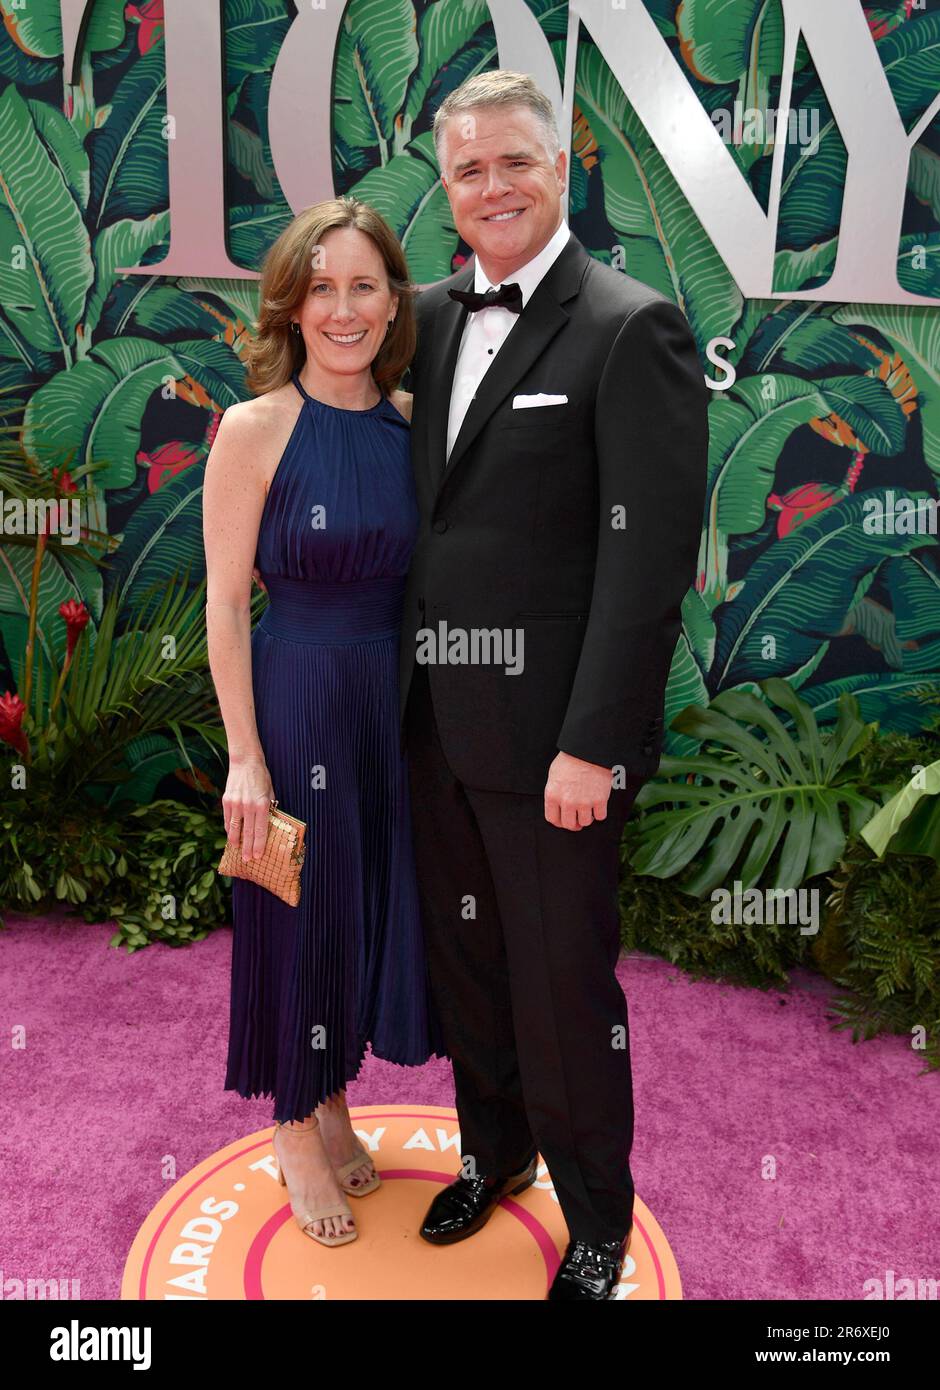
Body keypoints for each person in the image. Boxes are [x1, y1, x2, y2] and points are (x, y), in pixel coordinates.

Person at [399, 70, 708, 1299]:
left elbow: (646, 570)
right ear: (446, 189)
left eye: (512, 163)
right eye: (467, 170)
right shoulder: (421, 313)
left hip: (551, 746)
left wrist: (593, 743)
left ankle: (595, 1219)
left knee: (563, 985)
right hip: (429, 721)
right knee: (468, 968)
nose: (491, 188)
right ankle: (494, 1151)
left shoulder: (631, 327)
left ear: (561, 164)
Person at [204, 196, 446, 1249]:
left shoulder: (411, 430)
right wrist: (244, 758)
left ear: (394, 300)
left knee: (365, 906)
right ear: (292, 307)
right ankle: (292, 1122)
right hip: (296, 695)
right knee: (294, 907)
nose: (343, 308)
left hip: (387, 705)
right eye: (322, 289)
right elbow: (221, 602)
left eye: (364, 285)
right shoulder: (253, 429)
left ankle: (335, 1088)